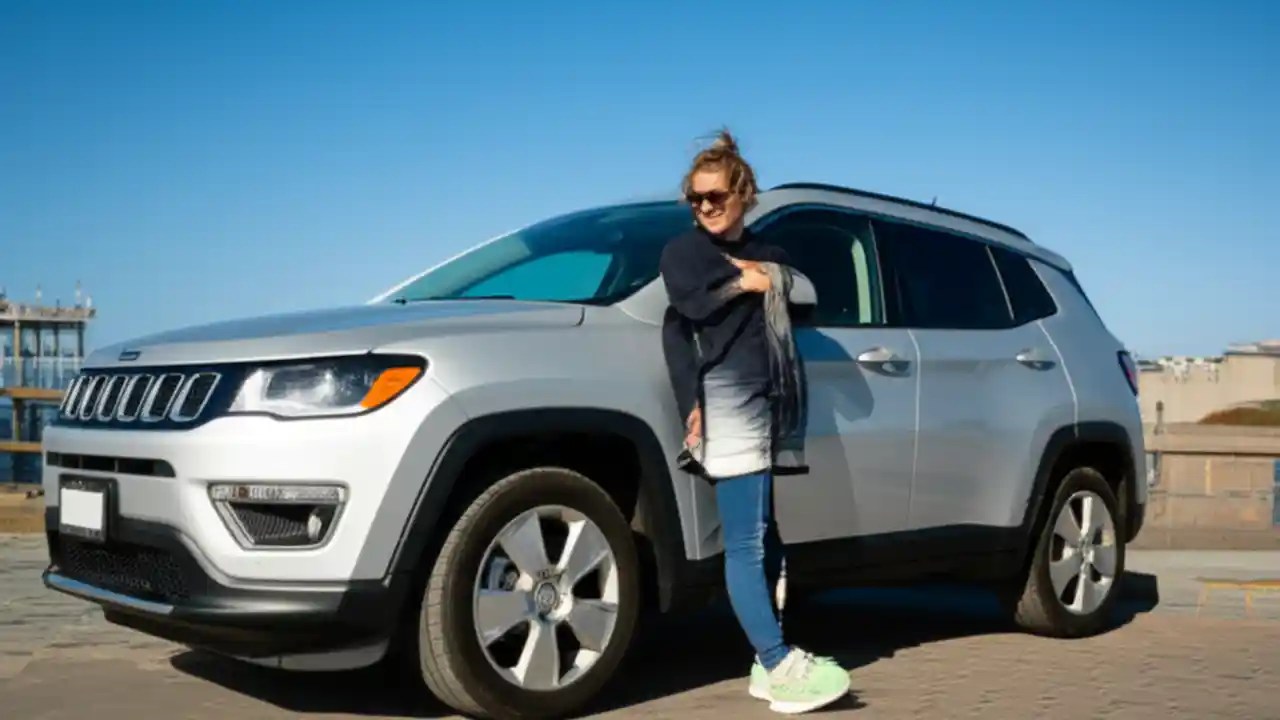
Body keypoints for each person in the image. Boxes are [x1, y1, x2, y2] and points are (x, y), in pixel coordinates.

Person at [659, 129, 851, 714]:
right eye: (696, 199)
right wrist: (748, 279)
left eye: (716, 196)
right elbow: (688, 309)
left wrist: (773, 278)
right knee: (743, 542)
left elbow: (811, 296)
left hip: (773, 405)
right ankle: (777, 662)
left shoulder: (774, 253)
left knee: (767, 538)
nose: (706, 208)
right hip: (729, 403)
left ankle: (767, 666)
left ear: (743, 193)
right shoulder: (684, 253)